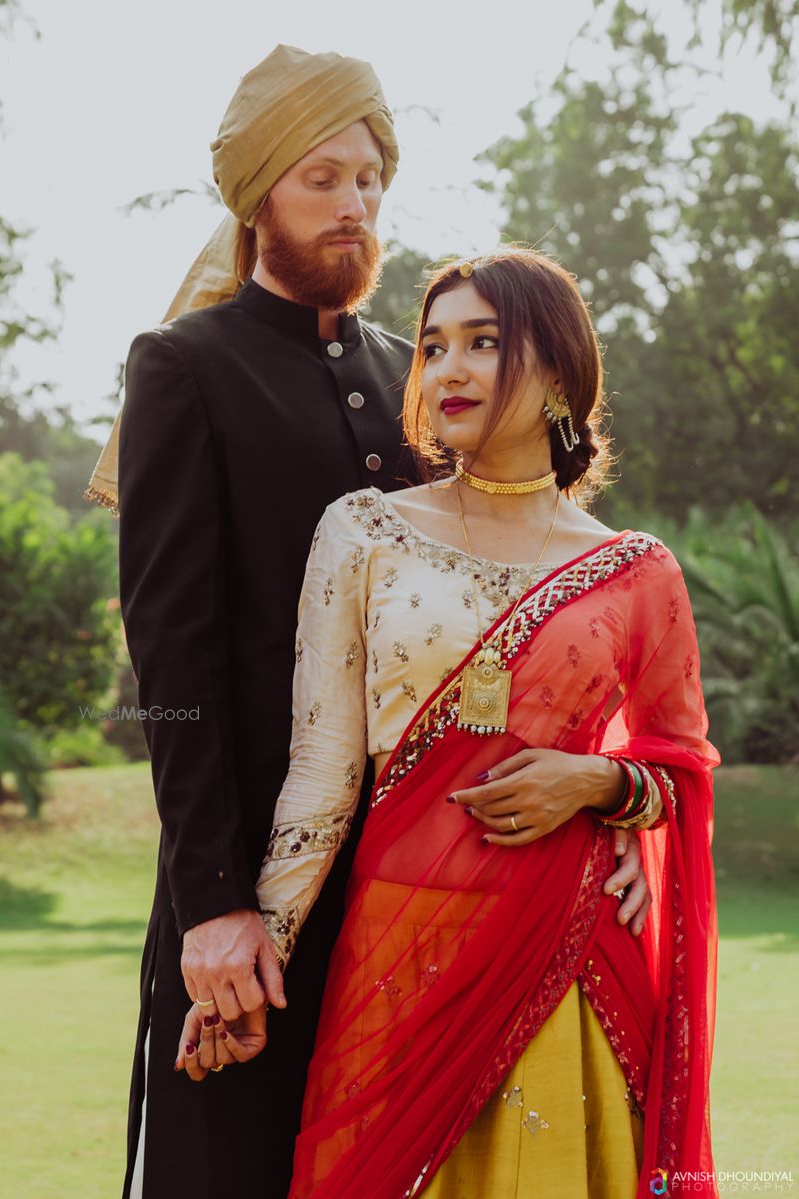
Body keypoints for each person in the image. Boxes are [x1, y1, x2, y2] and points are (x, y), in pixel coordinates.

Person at [91, 43, 652, 1197]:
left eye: (370, 180)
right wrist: (212, 904)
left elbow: (535, 592)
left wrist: (612, 797)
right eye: (322, 180)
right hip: (249, 897)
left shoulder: (424, 373)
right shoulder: (183, 368)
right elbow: (174, 659)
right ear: (257, 200)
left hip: (427, 899)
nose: (354, 207)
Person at [178, 248, 719, 1198]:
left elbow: (679, 766)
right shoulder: (365, 531)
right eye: (431, 348)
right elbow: (323, 773)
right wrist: (253, 955)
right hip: (402, 948)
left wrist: (598, 780)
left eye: (483, 342)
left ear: (558, 369)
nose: (447, 370)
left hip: (573, 957)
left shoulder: (638, 570)